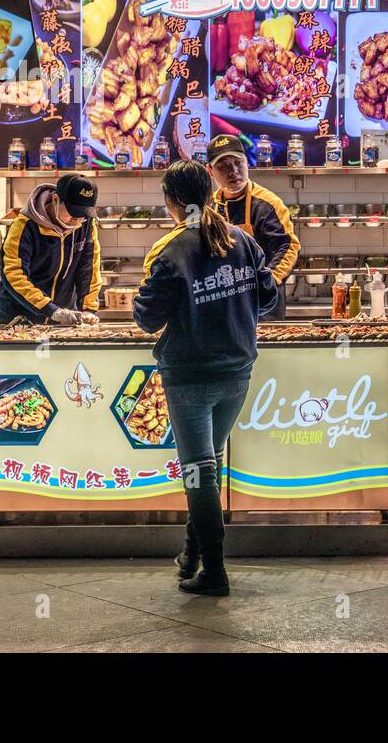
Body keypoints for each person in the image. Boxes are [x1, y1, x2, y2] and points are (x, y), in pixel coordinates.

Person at [134, 160, 278, 597]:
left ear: (172, 201)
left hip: (190, 376)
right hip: (236, 372)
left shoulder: (171, 250)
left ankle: (214, 572)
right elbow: (268, 298)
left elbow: (146, 317)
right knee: (208, 466)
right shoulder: (245, 241)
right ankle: (192, 555)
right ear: (212, 193)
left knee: (199, 473)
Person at [207, 134, 300, 318]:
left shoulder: (268, 204)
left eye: (238, 162)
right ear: (210, 171)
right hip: (224, 302)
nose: (233, 171)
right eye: (223, 166)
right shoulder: (209, 207)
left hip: (263, 305)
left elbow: (288, 247)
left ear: (247, 163)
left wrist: (268, 283)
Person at [0, 173, 103, 326]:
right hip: (19, 319)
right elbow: (13, 274)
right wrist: (51, 310)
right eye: (73, 214)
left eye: (83, 215)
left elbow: (89, 270)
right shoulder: (24, 226)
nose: (78, 221)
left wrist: (88, 309)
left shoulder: (86, 225)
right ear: (55, 200)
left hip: (64, 320)